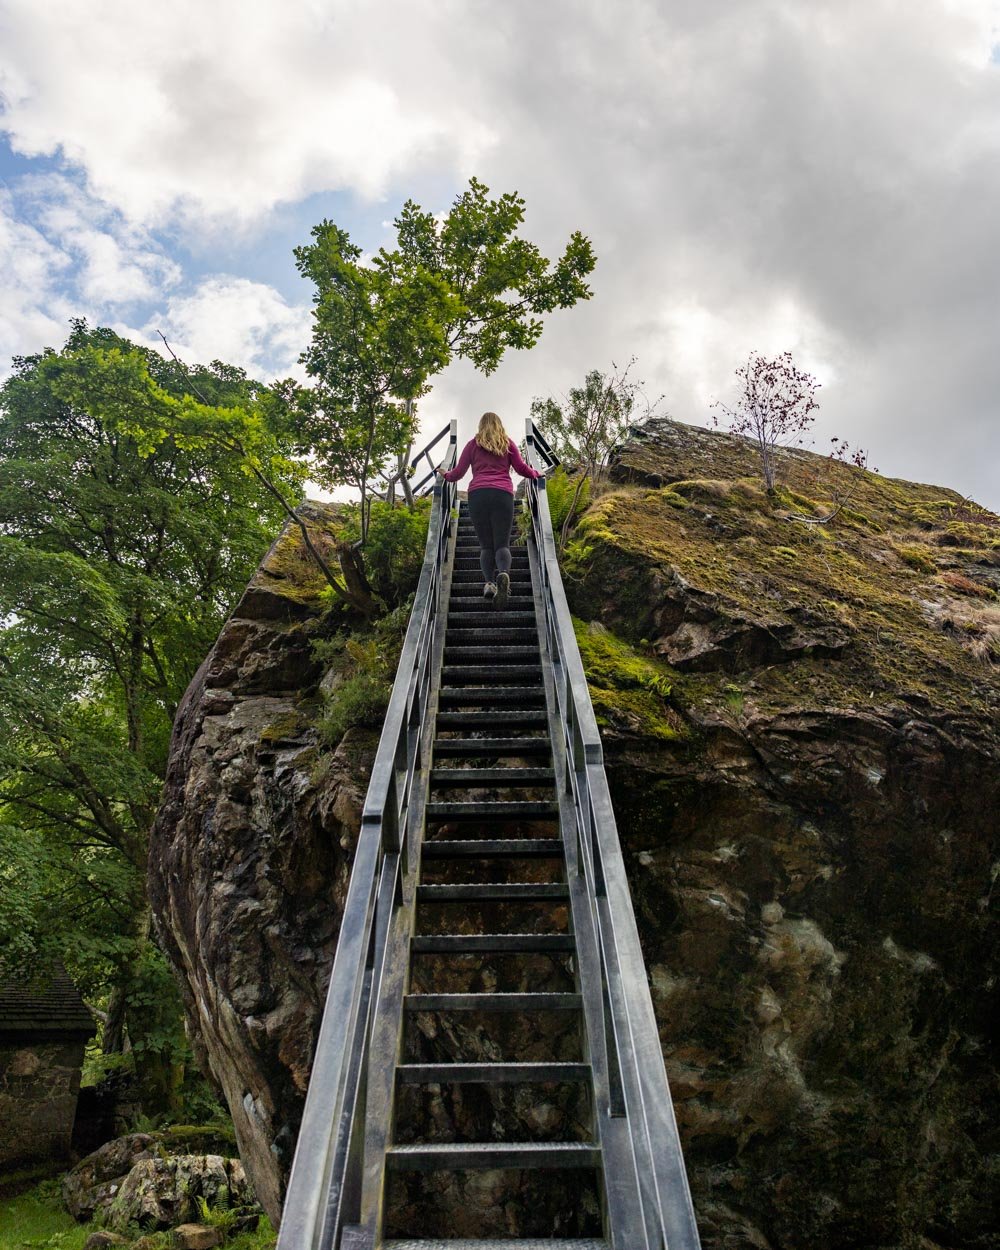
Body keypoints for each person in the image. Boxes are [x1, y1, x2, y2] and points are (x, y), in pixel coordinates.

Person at [437, 412, 542, 607]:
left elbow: (458, 473)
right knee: (502, 544)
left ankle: (489, 584)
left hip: (478, 495)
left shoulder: (472, 445)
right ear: (499, 424)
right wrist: (537, 473)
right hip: (502, 494)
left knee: (486, 545)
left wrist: (446, 475)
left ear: (480, 425)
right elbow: (521, 469)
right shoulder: (507, 444)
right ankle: (503, 574)